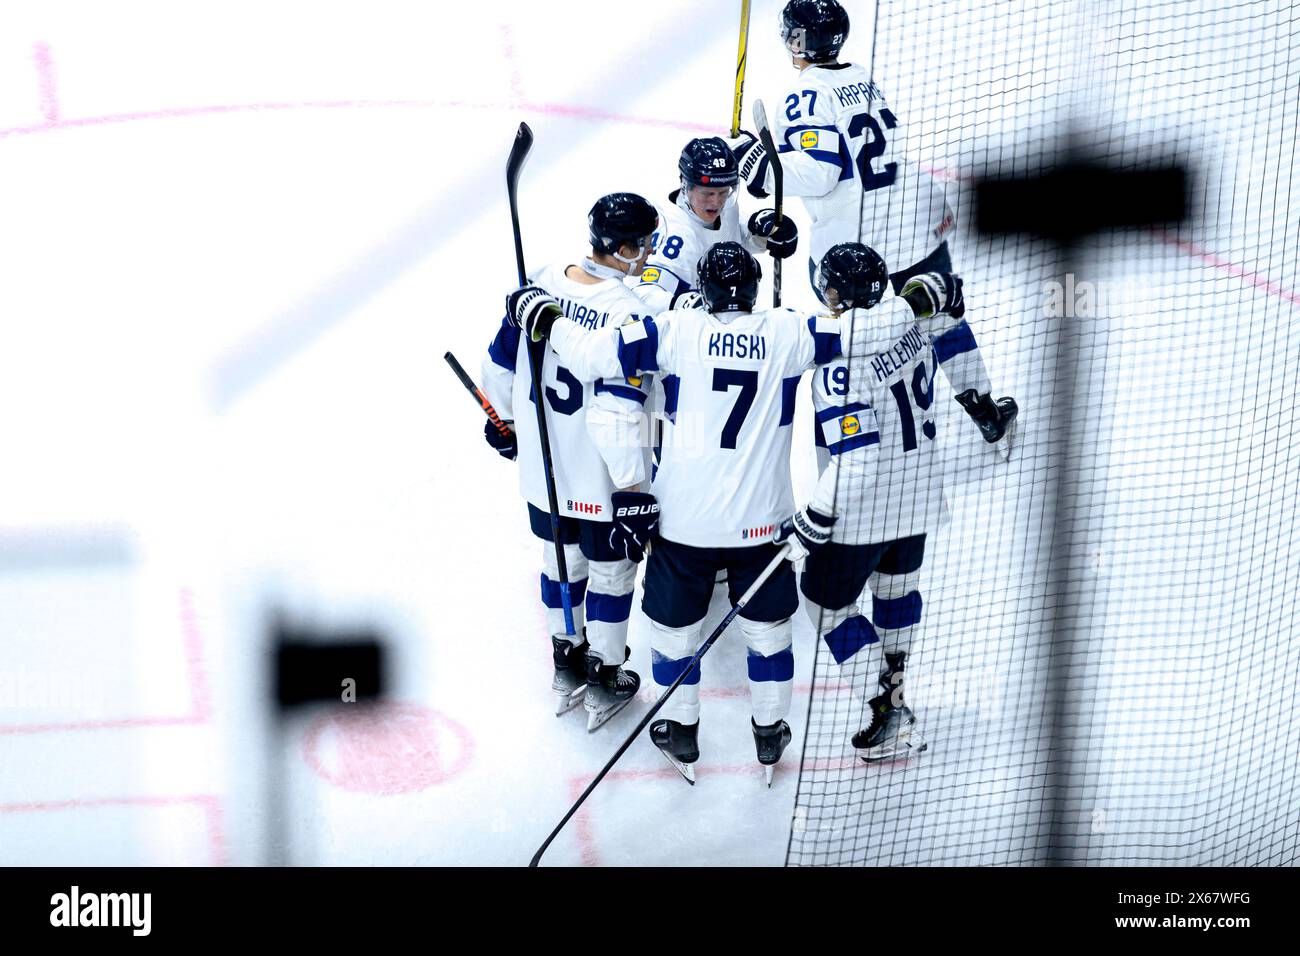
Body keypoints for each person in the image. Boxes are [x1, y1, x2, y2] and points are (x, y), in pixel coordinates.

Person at [509, 242, 841, 784]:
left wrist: (549, 318)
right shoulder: (790, 331)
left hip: (683, 524)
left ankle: (681, 732)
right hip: (765, 524)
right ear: (755, 289)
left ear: (703, 290)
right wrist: (918, 307)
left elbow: (594, 362)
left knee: (671, 637)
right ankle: (769, 731)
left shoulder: (671, 330)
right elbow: (858, 335)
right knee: (770, 635)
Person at [731, 0, 1016, 455]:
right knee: (942, 317)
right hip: (915, 220)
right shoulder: (860, 74)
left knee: (863, 343)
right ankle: (983, 407)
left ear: (795, 41)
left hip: (858, 248)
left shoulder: (803, 93)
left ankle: (871, 439)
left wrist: (759, 167)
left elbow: (822, 170)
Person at [776, 242, 1017, 761]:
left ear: (836, 294)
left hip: (863, 512)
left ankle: (887, 710)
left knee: (824, 605)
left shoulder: (838, 366)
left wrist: (814, 517)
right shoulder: (910, 320)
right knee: (895, 592)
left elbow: (855, 461)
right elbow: (952, 314)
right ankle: (896, 689)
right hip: (922, 493)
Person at [480, 192, 660, 731]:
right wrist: (634, 487)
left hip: (543, 469)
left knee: (558, 559)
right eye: (646, 245)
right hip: (601, 475)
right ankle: (605, 672)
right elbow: (622, 413)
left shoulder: (540, 281)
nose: (650, 254)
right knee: (611, 571)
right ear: (625, 249)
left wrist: (504, 421)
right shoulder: (629, 312)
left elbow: (499, 362)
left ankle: (566, 657)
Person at [632, 136, 799, 313]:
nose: (716, 202)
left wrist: (765, 235)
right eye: (707, 193)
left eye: (723, 192)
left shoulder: (723, 207)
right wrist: (696, 304)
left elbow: (730, 235)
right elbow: (646, 295)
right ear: (685, 186)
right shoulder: (673, 234)